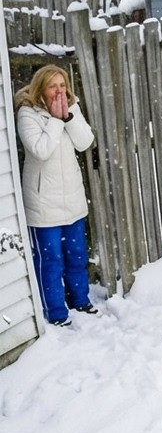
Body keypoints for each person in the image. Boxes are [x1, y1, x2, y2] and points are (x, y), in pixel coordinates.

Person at [15, 65, 98, 327]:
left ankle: (80, 300)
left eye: (62, 85)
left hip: (72, 199)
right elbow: (41, 149)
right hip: (43, 203)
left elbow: (85, 142)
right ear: (41, 87)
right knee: (50, 260)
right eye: (53, 86)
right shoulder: (27, 114)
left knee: (76, 255)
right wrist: (55, 119)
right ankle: (56, 312)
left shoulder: (71, 107)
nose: (59, 91)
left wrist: (69, 117)